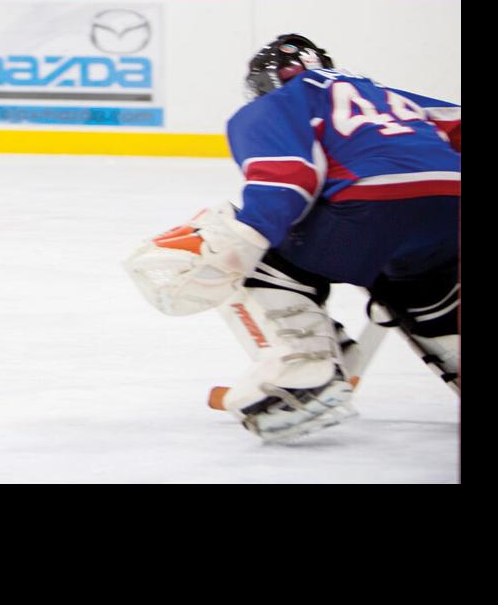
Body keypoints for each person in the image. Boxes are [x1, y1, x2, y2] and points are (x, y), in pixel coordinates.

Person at [124, 34, 460, 441]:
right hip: (452, 206)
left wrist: (246, 239)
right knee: (424, 289)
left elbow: (288, 180)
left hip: (370, 205)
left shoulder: (275, 104)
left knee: (250, 259)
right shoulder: (386, 95)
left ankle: (306, 372)